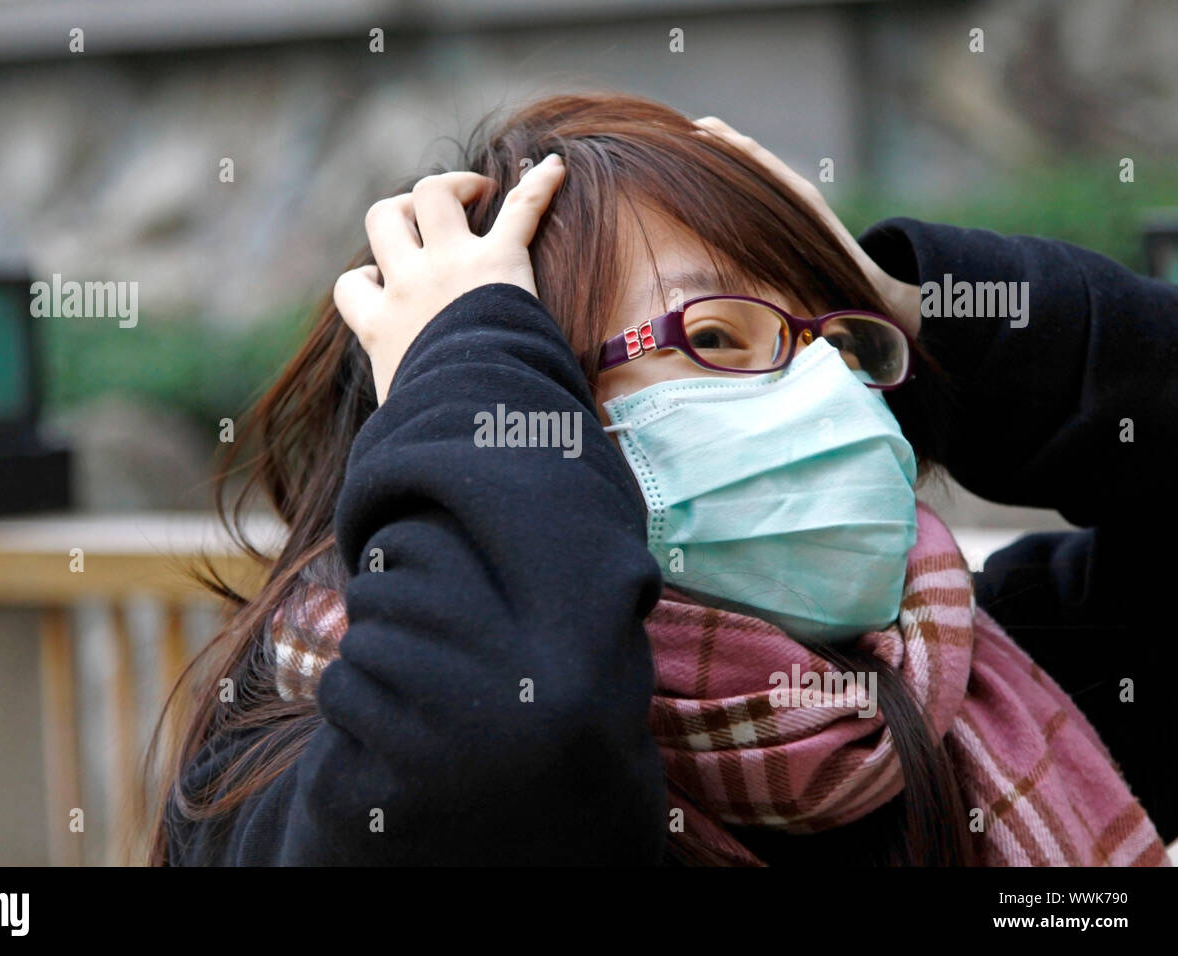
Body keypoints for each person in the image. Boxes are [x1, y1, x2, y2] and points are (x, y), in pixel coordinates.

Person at [152, 92, 1175, 866]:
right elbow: (513, 742)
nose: (825, 387)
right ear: (532, 415)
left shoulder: (973, 691)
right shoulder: (298, 780)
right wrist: (470, 360)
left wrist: (916, 307)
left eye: (841, 345)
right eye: (718, 333)